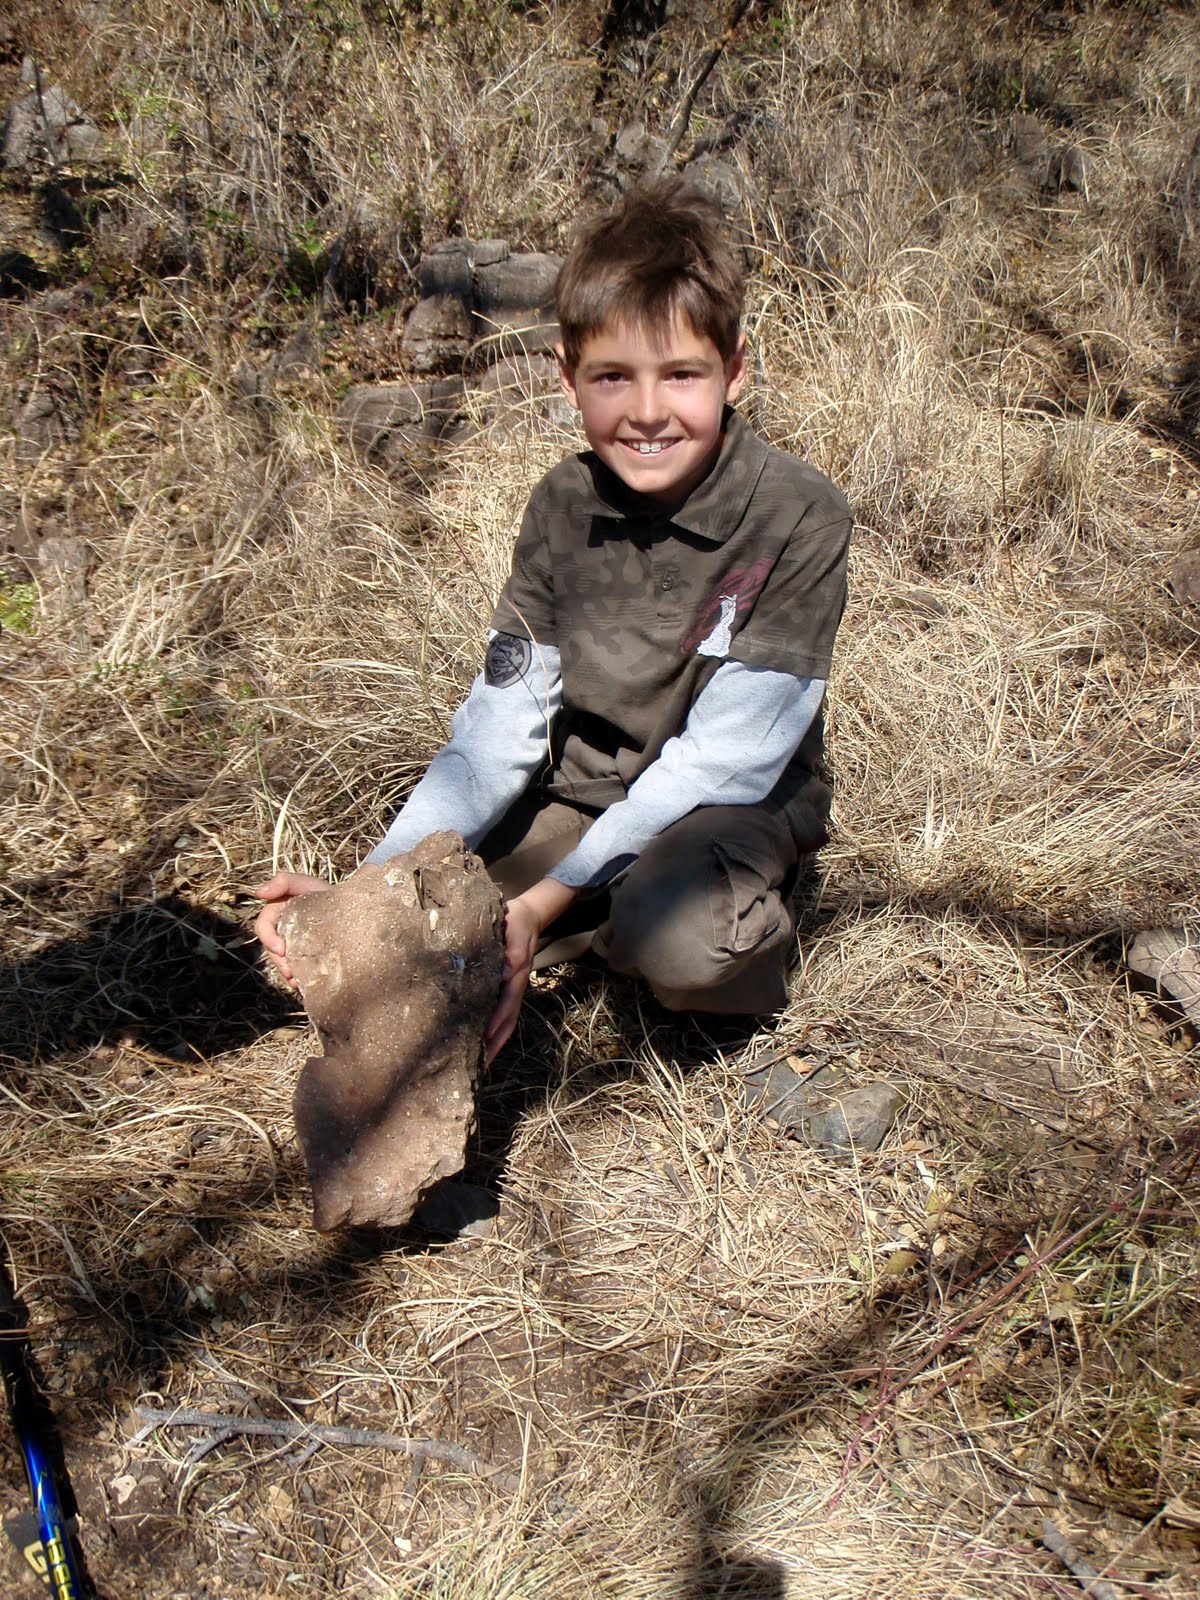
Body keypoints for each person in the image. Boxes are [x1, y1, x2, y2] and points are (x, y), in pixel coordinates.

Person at [255, 179, 851, 1063]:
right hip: (582, 796)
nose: (648, 412)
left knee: (679, 941)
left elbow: (729, 756)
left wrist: (543, 902)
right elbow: (499, 730)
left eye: (683, 375)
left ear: (735, 371)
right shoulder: (561, 506)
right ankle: (597, 911)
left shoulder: (800, 515)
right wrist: (372, 887)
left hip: (724, 805)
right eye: (614, 377)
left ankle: (699, 923)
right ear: (569, 378)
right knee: (417, 932)